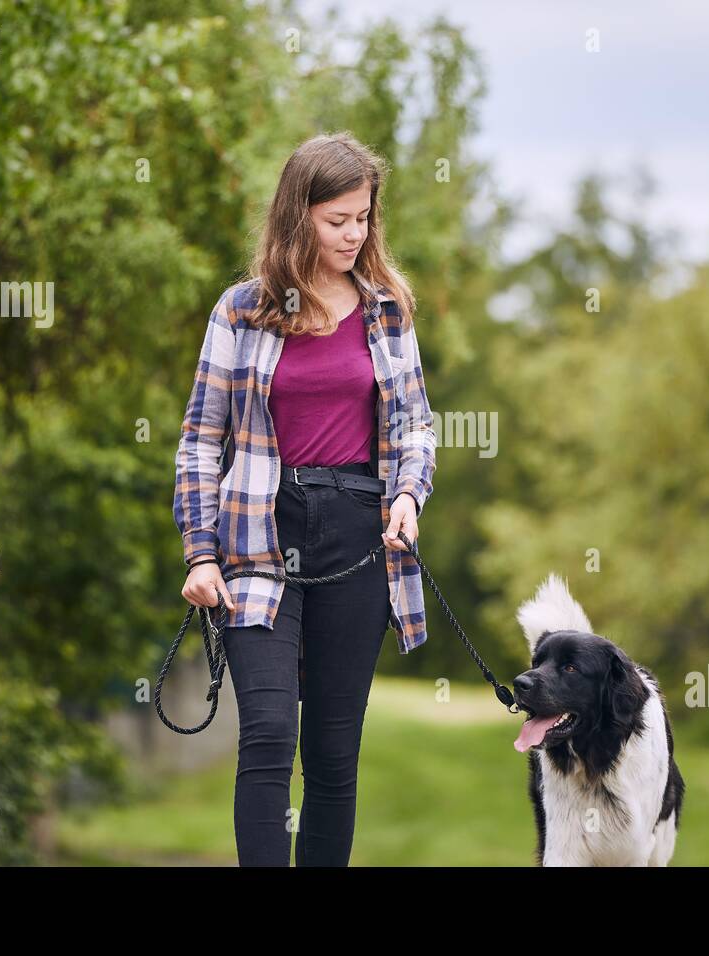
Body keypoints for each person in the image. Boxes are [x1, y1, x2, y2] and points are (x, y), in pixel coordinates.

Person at [172, 132, 438, 866]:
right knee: (265, 734)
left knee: (331, 752)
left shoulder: (388, 312)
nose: (353, 234)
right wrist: (200, 550)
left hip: (358, 534)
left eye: (362, 218)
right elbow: (200, 440)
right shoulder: (243, 311)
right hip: (260, 534)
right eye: (336, 220)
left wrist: (409, 496)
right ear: (299, 216)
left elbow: (416, 425)